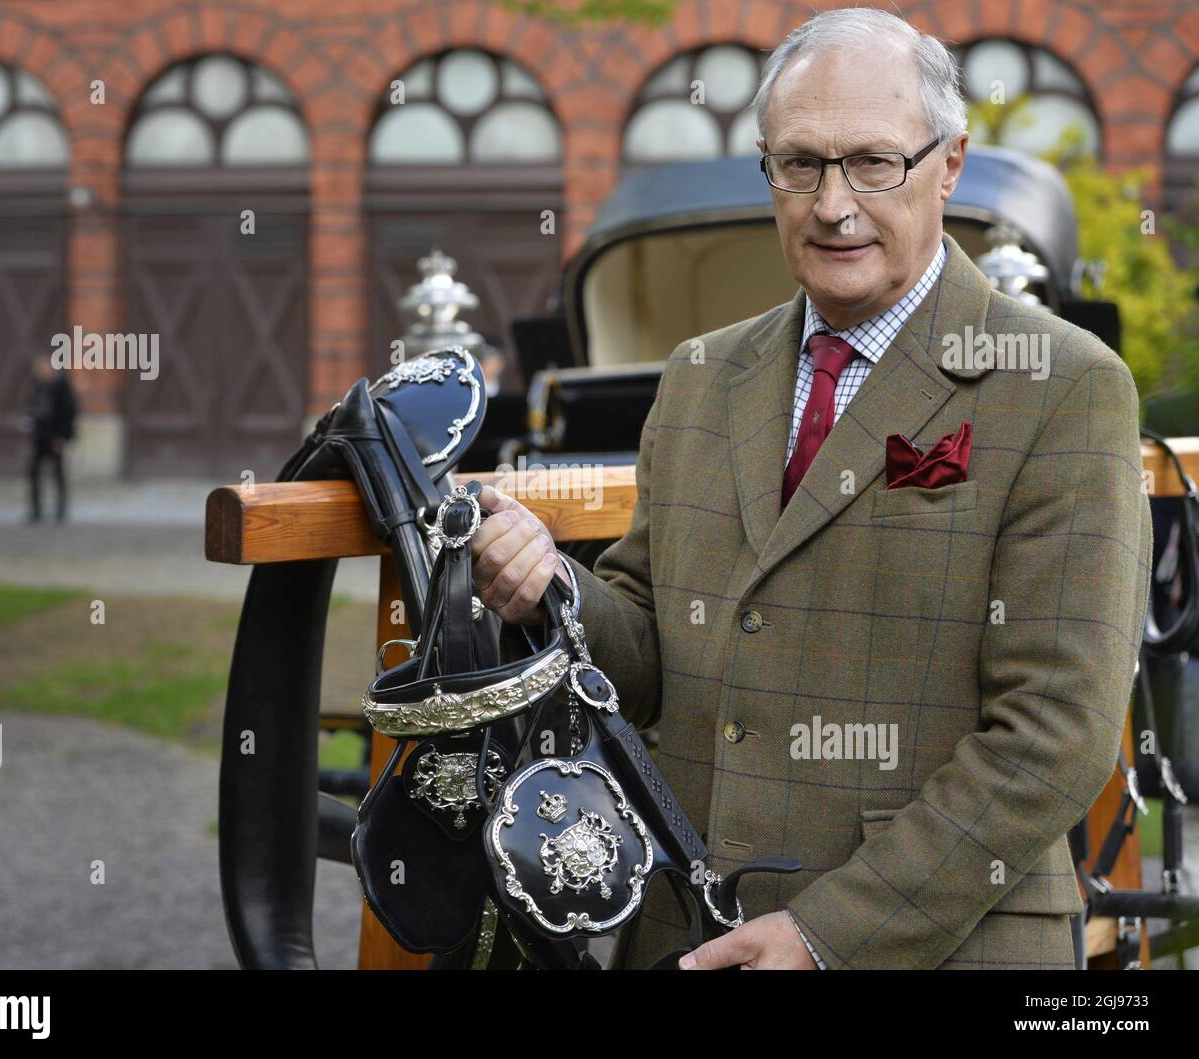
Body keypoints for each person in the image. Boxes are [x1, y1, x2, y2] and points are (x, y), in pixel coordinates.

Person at [470, 9, 1152, 969]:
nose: (833, 203)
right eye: (800, 164)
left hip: (941, 947)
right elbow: (650, 651)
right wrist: (551, 589)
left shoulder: (1064, 384)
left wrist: (829, 936)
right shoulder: (701, 373)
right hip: (687, 931)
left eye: (874, 162)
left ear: (949, 164)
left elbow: (1057, 735)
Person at [25, 353, 76, 523]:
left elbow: (68, 413)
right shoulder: (37, 386)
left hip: (55, 437)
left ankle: (60, 511)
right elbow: (31, 408)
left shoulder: (61, 387)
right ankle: (36, 511)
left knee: (58, 475)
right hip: (39, 437)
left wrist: (63, 437)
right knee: (33, 473)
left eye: (44, 367)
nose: (41, 371)